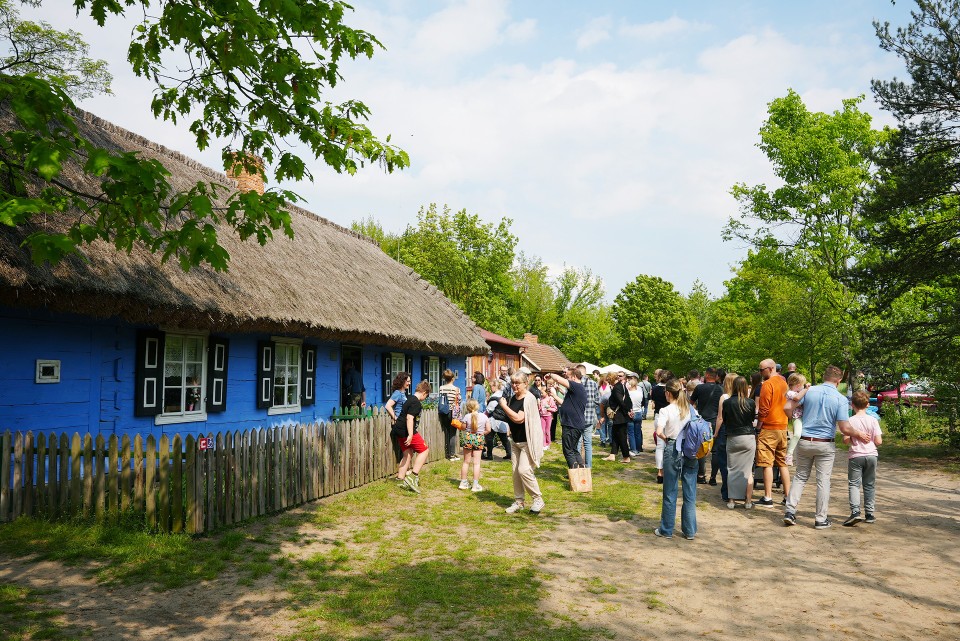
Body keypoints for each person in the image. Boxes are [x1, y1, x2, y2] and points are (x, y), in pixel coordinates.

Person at [783, 365, 865, 529]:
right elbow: (844, 428)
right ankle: (820, 519)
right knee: (823, 481)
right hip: (825, 444)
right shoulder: (840, 399)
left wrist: (795, 420)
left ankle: (790, 512)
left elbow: (787, 408)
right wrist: (859, 433)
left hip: (805, 440)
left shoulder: (810, 391)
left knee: (800, 477)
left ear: (823, 376)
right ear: (839, 380)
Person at [654, 377, 698, 540]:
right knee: (690, 491)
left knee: (670, 490)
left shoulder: (666, 410)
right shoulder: (690, 409)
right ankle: (690, 530)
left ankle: (666, 529)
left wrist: (667, 439)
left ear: (667, 393)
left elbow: (659, 431)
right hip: (691, 449)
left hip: (673, 448)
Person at [499, 372, 545, 514]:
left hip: (527, 442)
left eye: (517, 383)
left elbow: (519, 418)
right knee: (515, 473)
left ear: (526, 383)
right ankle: (519, 502)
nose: (514, 385)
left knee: (524, 470)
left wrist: (503, 406)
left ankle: (538, 499)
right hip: (516, 441)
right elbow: (511, 419)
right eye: (513, 383)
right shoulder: (513, 397)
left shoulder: (529, 399)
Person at [842, 390, 883, 526]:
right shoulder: (873, 420)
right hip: (871, 455)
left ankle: (855, 512)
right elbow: (878, 441)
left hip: (856, 455)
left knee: (854, 484)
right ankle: (870, 514)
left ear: (852, 405)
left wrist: (855, 435)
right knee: (869, 484)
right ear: (867, 405)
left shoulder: (849, 421)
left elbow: (846, 440)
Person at [755, 358, 790, 507]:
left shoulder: (767, 384)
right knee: (782, 463)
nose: (760, 373)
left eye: (761, 370)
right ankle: (788, 497)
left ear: (770, 369)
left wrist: (759, 427)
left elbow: (764, 409)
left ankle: (768, 497)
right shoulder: (784, 383)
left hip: (769, 428)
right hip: (783, 427)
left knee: (766, 463)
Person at [720, 376, 756, 509]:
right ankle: (748, 501)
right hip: (748, 437)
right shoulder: (751, 402)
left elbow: (725, 419)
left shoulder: (727, 402)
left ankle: (731, 500)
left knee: (732, 469)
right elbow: (752, 418)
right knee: (747, 470)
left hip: (733, 437)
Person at [393, 380, 432, 493]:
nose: (425, 398)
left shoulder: (409, 398)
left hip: (398, 430)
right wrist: (410, 434)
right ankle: (413, 476)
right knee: (424, 450)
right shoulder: (416, 403)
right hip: (406, 431)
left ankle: (400, 478)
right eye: (427, 396)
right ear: (424, 393)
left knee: (408, 454)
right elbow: (409, 418)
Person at [548, 369, 587, 468]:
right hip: (574, 423)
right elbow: (565, 404)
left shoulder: (576, 386)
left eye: (568, 376)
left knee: (568, 450)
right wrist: (554, 395)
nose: (566, 378)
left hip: (572, 424)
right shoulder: (575, 390)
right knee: (573, 449)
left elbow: (558, 379)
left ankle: (574, 472)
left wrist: (549, 374)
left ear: (574, 377)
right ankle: (581, 473)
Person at [690, 367, 723, 485]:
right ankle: (713, 478)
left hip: (702, 422)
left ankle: (701, 475)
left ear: (708, 375)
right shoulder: (721, 389)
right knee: (715, 451)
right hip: (716, 422)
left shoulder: (699, 388)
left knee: (701, 448)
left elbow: (691, 403)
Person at [458, 399, 490, 492]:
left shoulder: (467, 416)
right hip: (479, 438)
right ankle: (475, 485)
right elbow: (488, 429)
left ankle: (463, 482)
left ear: (467, 407)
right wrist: (481, 433)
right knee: (477, 463)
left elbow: (463, 428)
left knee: (466, 462)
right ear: (477, 406)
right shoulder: (484, 416)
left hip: (468, 437)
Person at [604, 371, 632, 462]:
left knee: (622, 437)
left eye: (608, 380)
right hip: (621, 415)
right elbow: (628, 399)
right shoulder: (622, 386)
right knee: (615, 435)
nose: (608, 382)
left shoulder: (617, 388)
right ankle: (612, 454)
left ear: (611, 379)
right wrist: (629, 409)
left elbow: (621, 401)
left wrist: (628, 410)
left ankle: (626, 457)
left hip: (620, 416)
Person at [650, 369, 672, 484]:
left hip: (659, 415)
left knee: (660, 446)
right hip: (671, 416)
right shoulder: (671, 389)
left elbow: (653, 401)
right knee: (672, 443)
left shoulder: (654, 389)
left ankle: (660, 471)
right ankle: (670, 469)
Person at [784, 373, 810, 466]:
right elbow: (797, 398)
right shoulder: (790, 393)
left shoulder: (798, 391)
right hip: (797, 417)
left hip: (802, 416)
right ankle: (789, 455)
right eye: (802, 385)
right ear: (798, 385)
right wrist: (806, 389)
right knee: (797, 435)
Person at [482, 378, 511, 460]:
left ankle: (490, 455)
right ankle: (509, 454)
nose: (491, 388)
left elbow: (489, 410)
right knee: (504, 438)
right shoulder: (503, 395)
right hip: (503, 420)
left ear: (495, 386)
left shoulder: (494, 397)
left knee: (489, 437)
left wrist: (483, 416)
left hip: (494, 420)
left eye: (491, 386)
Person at [438, 369, 462, 462]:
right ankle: (452, 455)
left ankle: (447, 453)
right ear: (452, 378)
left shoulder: (441, 388)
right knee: (452, 434)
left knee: (447, 432)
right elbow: (458, 401)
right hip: (452, 413)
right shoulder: (456, 389)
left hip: (443, 412)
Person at [579, 364, 600, 468]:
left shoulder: (575, 383)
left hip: (577, 418)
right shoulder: (593, 383)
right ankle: (588, 467)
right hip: (589, 417)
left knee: (577, 444)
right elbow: (597, 400)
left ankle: (576, 467)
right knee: (588, 444)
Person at [626, 374, 645, 455]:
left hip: (631, 412)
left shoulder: (629, 393)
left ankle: (633, 449)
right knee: (638, 431)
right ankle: (639, 447)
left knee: (631, 432)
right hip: (639, 412)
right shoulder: (639, 393)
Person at [539, 381, 558, 447]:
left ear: (546, 392)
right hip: (542, 416)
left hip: (548, 416)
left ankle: (548, 443)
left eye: (542, 393)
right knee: (542, 430)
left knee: (547, 430)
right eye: (540, 393)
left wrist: (549, 409)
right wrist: (538, 406)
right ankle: (543, 444)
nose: (541, 394)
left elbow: (555, 408)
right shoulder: (540, 399)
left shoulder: (550, 399)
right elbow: (540, 408)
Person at [597, 373, 613, 446]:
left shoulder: (610, 386)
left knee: (610, 423)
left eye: (608, 379)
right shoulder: (599, 386)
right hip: (601, 405)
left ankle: (610, 440)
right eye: (605, 379)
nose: (606, 380)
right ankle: (603, 440)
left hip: (609, 406)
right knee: (602, 423)